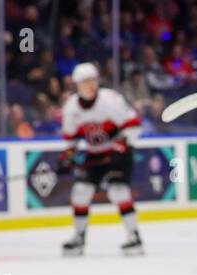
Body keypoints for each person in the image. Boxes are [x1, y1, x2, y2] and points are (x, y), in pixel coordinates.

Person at [59, 62, 143, 256]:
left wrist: (121, 146)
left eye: (93, 81)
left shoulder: (110, 100)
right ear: (77, 85)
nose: (91, 86)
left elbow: (134, 125)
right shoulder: (71, 107)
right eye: (85, 82)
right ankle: (79, 238)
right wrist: (67, 157)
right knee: (80, 192)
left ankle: (134, 236)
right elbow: (71, 141)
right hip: (94, 155)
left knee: (118, 191)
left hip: (117, 153)